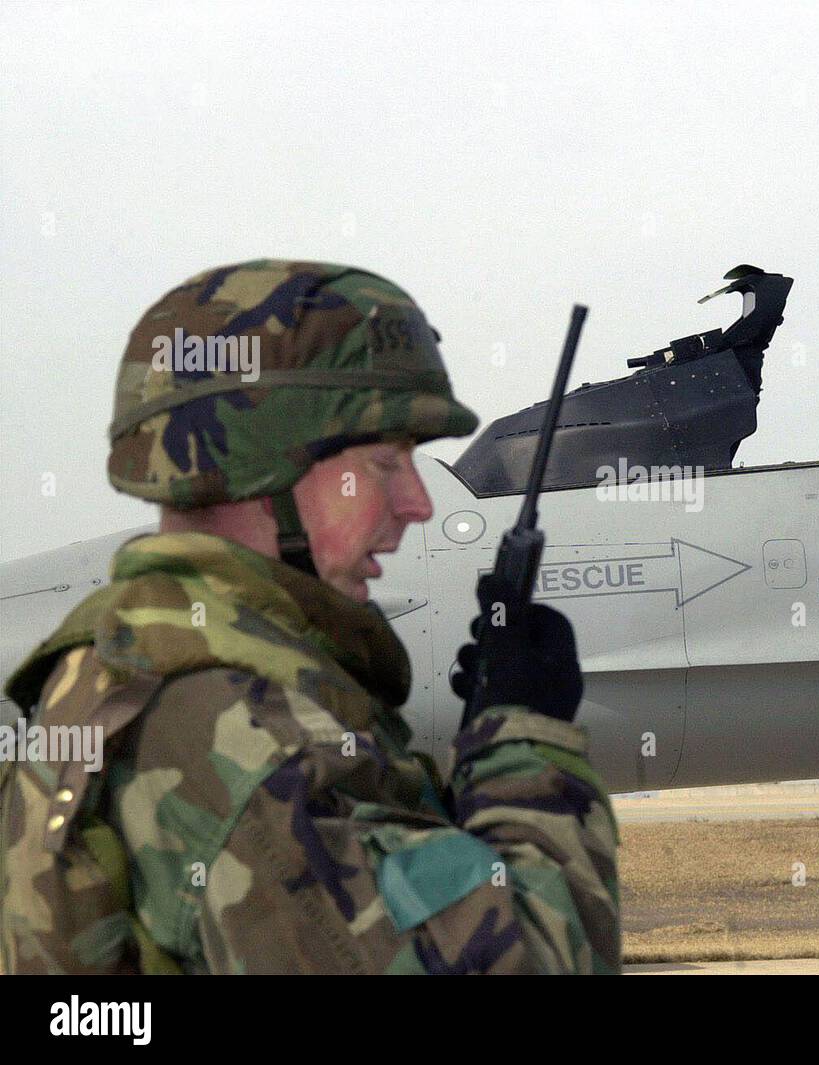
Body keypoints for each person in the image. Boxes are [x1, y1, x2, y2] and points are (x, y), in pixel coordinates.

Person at [0, 260, 620, 974]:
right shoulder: (245, 735)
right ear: (267, 469)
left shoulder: (121, 664)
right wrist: (525, 748)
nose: (418, 503)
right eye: (385, 465)